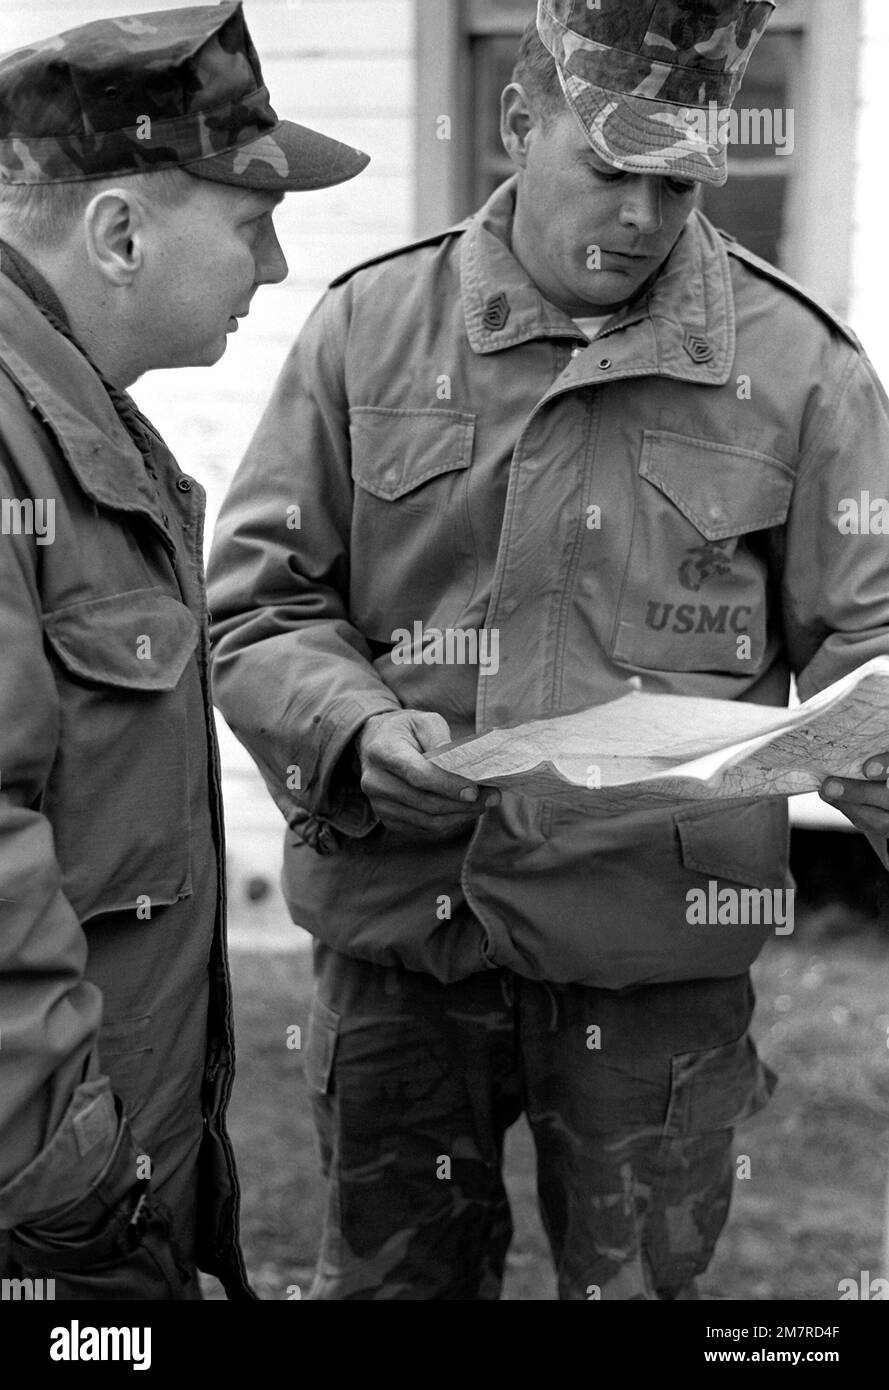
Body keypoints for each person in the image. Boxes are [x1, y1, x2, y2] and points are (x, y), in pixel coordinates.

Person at [207, 0, 889, 1300]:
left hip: (651, 962)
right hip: (407, 937)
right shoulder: (368, 330)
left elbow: (872, 642)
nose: (640, 214)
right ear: (517, 123)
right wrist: (350, 729)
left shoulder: (800, 371)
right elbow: (258, 602)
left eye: (676, 180)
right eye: (609, 166)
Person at [0, 0, 368, 1300]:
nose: (273, 270)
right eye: (253, 221)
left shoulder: (73, 428)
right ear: (117, 233)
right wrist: (82, 1194)